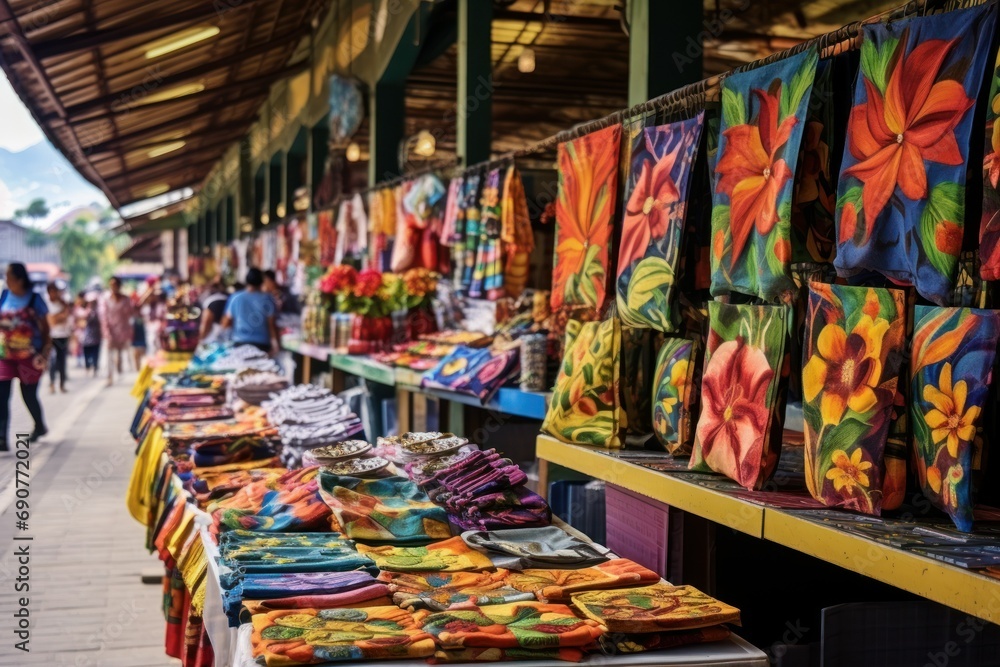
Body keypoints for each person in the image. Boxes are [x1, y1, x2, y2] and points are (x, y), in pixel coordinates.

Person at [0, 263, 50, 449]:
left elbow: (46, 329)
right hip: (5, 354)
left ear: (19, 279)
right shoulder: (4, 295)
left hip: (29, 356)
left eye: (9, 276)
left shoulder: (35, 299)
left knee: (28, 394)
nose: (6, 280)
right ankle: (2, 437)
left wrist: (45, 353)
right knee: (1, 395)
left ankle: (39, 426)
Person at [220, 268, 278, 354]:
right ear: (261, 281)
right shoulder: (268, 298)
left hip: (239, 344)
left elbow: (226, 323)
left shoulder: (235, 298)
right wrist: (276, 346)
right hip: (262, 345)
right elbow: (271, 325)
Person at [99, 277, 134, 386]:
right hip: (110, 330)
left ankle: (120, 370)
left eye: (115, 285)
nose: (113, 287)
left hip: (123, 330)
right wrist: (106, 331)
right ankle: (109, 377)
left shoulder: (126, 299)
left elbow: (130, 313)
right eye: (111, 285)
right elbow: (104, 316)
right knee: (109, 354)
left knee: (120, 354)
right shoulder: (106, 299)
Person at [45, 282, 71, 394]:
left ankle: (62, 384)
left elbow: (65, 317)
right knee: (52, 361)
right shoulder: (46, 304)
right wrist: (57, 317)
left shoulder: (63, 304)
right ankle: (52, 383)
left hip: (63, 335)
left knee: (62, 361)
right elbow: (51, 321)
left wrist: (55, 317)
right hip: (51, 337)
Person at [81, 293, 102, 375]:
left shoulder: (99, 311)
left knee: (95, 352)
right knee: (87, 352)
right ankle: (88, 366)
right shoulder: (86, 311)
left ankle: (95, 367)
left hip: (96, 335)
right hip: (86, 336)